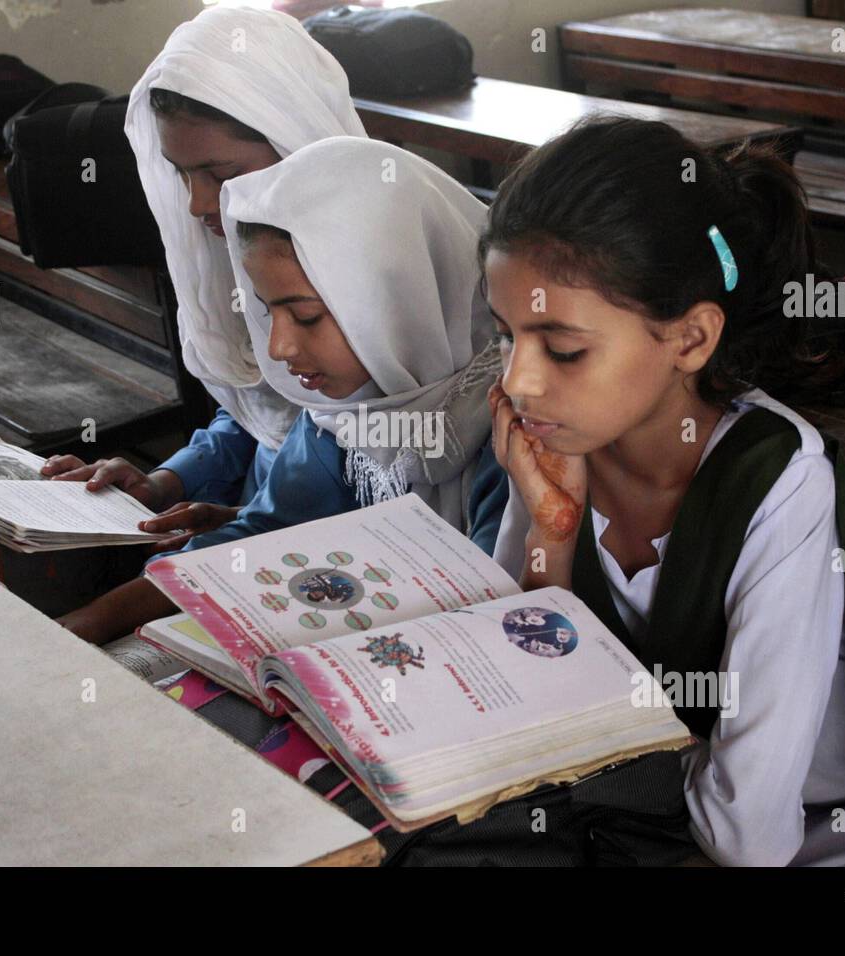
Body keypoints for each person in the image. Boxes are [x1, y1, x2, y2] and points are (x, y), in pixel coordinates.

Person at [484, 117, 845, 866]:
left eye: (563, 348)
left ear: (690, 339)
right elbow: (515, 699)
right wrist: (550, 539)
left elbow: (747, 838)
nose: (518, 379)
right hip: (714, 811)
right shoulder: (559, 439)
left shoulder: (782, 485)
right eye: (504, 334)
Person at [57, 138, 507, 644]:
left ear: (398, 296)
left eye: (308, 316)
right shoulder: (341, 413)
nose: (278, 347)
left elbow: (490, 609)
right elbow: (262, 533)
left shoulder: (508, 421)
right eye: (269, 313)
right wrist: (92, 621)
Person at [41, 4, 367, 550]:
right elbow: (256, 410)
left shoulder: (380, 274)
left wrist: (244, 519)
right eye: (181, 174)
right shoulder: (239, 250)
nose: (196, 203)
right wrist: (167, 482)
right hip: (253, 520)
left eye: (221, 174)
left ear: (294, 141)